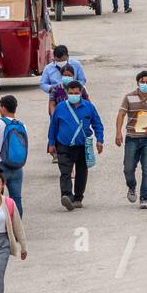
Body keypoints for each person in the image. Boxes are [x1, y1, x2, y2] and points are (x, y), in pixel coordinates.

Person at [47, 80, 104, 210]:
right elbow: (53, 126)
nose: (74, 95)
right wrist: (51, 143)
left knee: (81, 172)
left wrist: (100, 140)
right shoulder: (60, 107)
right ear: (67, 93)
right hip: (63, 145)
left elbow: (97, 124)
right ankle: (67, 196)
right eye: (71, 93)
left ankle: (78, 197)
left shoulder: (89, 107)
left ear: (81, 93)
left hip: (82, 145)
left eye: (76, 93)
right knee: (65, 172)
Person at [116, 70, 147, 209]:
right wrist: (118, 133)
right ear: (138, 83)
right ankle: (131, 186)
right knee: (128, 168)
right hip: (132, 138)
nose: (145, 84)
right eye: (142, 82)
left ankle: (145, 197)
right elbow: (121, 114)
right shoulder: (129, 97)